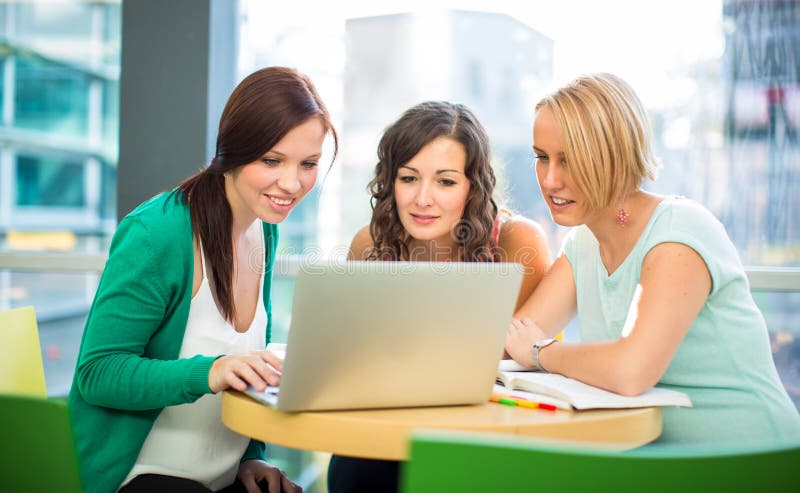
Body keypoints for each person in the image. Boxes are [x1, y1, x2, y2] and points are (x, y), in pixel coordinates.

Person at [68, 66, 338, 493]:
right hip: (140, 477)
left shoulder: (264, 227)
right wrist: (209, 372)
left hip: (223, 478)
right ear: (232, 150)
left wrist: (251, 457)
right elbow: (98, 373)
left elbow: (243, 361)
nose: (292, 183)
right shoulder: (157, 233)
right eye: (271, 160)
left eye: (308, 164)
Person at [505, 72, 800, 445]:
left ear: (615, 156)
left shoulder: (680, 229)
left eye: (569, 159)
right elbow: (513, 340)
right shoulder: (582, 245)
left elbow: (631, 371)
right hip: (654, 458)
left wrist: (541, 351)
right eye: (541, 157)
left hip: (753, 459)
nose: (549, 180)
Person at [330, 101, 550, 492]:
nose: (422, 199)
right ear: (389, 181)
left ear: (473, 186)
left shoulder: (519, 242)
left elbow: (513, 358)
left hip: (483, 438)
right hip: (382, 436)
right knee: (357, 466)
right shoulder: (370, 244)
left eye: (446, 182)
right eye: (408, 178)